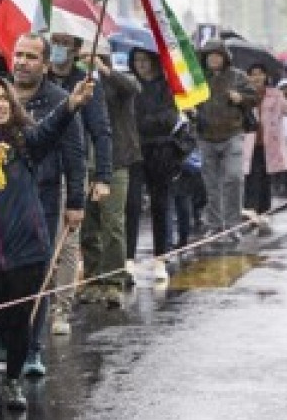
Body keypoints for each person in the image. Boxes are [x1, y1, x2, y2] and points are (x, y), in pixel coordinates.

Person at [0, 75, 94, 414]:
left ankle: (12, 382)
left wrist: (71, 103)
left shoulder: (24, 142)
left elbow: (50, 130)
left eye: (3, 98)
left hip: (26, 248)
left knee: (18, 322)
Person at [9, 33, 85, 373]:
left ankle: (32, 349)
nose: (23, 62)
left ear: (44, 63)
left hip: (44, 195)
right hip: (2, 199)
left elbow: (74, 153)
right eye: (19, 54)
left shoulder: (60, 100)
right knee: (4, 274)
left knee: (36, 274)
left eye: (31, 56)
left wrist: (76, 201)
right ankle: (6, 334)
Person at [52, 33, 139, 307]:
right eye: (56, 42)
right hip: (82, 162)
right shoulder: (65, 82)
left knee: (112, 222)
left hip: (115, 159)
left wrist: (103, 70)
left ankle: (113, 279)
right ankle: (92, 277)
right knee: (87, 225)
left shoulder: (105, 80)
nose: (59, 48)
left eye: (66, 43)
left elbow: (131, 89)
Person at [194, 40, 257, 246]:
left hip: (232, 134)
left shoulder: (237, 76)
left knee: (234, 177)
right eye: (209, 55)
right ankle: (214, 224)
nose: (213, 59)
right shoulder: (198, 77)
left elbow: (254, 96)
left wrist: (241, 97)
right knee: (211, 183)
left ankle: (232, 224)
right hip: (205, 136)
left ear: (224, 57)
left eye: (217, 55)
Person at [125, 47, 183, 262]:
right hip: (136, 150)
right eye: (137, 60)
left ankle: (162, 253)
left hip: (161, 150)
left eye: (145, 60)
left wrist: (147, 121)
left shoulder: (166, 86)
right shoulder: (131, 86)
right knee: (132, 204)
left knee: (161, 203)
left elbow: (170, 117)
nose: (141, 64)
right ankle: (128, 257)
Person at [242, 65, 287, 227]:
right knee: (250, 177)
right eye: (253, 75)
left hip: (269, 143)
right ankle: (250, 211)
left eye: (260, 74)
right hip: (249, 142)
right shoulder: (244, 94)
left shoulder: (275, 94)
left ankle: (264, 210)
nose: (256, 78)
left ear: (266, 76)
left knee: (266, 178)